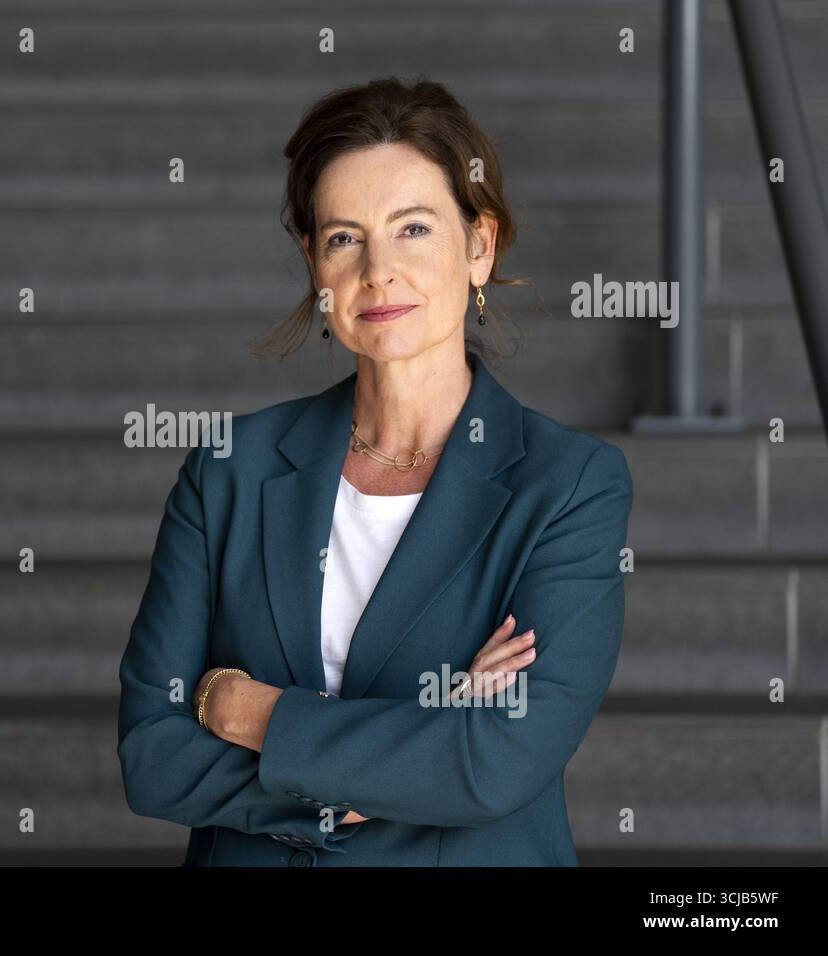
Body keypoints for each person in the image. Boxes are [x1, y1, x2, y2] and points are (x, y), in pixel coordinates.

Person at [117, 76, 633, 866]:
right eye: (344, 237)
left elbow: (491, 763)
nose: (378, 271)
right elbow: (153, 757)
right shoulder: (228, 469)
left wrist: (247, 710)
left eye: (414, 228)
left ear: (480, 246)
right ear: (314, 265)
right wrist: (404, 751)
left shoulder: (568, 486)